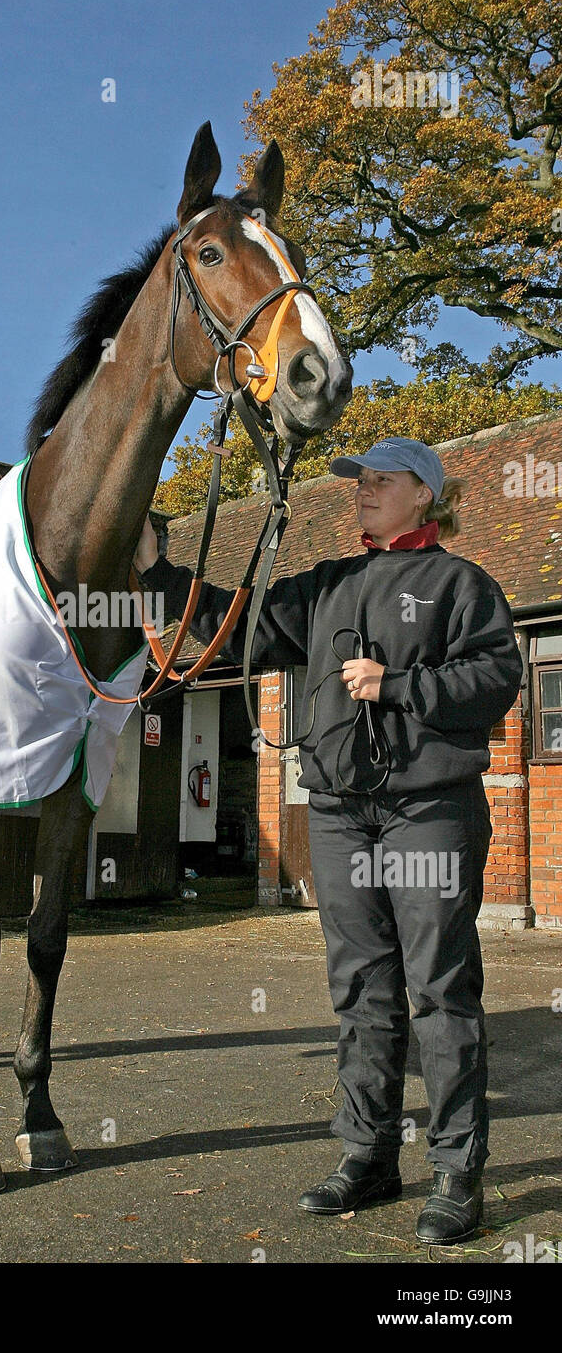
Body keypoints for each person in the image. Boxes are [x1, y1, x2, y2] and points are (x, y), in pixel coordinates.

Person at [134, 437, 523, 1245]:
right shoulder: (326, 585)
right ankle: (368, 1155)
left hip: (429, 812)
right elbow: (230, 625)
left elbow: (496, 680)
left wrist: (401, 684)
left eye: (382, 479)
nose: (364, 489)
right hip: (341, 814)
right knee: (360, 988)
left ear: (426, 495)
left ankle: (456, 1171)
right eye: (359, 480)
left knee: (439, 989)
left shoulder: (462, 585)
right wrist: (153, 570)